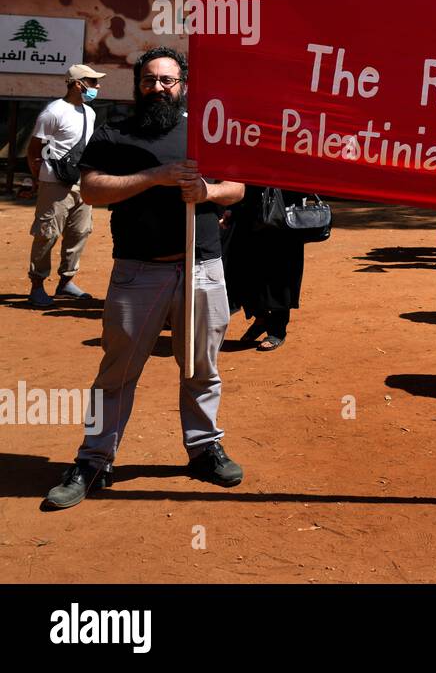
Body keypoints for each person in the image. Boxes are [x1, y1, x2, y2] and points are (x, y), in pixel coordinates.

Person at [43, 48, 246, 509]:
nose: (158, 88)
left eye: (167, 80)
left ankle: (203, 448)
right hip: (139, 272)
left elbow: (238, 186)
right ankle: (94, 460)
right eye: (150, 80)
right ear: (138, 85)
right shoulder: (115, 131)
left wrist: (207, 190)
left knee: (201, 368)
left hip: (202, 267)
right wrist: (155, 176)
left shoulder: (205, 131)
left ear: (183, 84)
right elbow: (92, 189)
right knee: (115, 372)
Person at [25, 63, 104, 307]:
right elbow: (34, 150)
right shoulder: (53, 112)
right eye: (92, 82)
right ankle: (37, 286)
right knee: (46, 234)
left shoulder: (89, 112)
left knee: (80, 232)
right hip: (55, 184)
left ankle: (66, 281)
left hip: (82, 182)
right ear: (78, 84)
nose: (97, 86)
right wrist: (42, 178)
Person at [223, 185, 309, 350]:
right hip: (248, 210)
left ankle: (278, 329)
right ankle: (261, 317)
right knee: (242, 270)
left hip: (282, 215)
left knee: (279, 274)